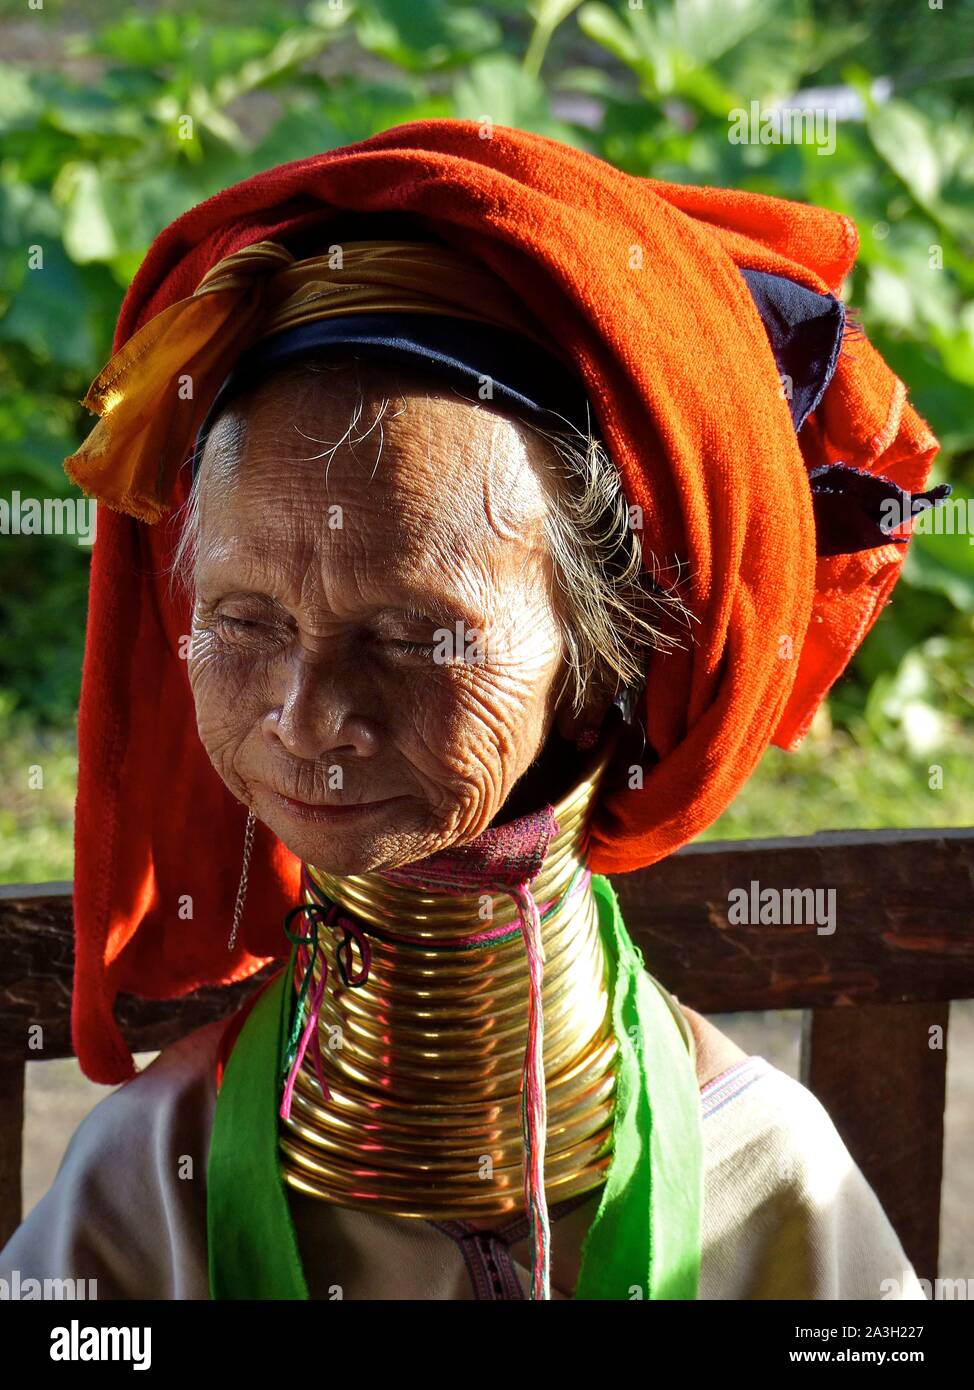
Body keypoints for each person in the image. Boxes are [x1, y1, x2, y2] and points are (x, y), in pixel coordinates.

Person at [1, 119, 943, 1300]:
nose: (307, 715)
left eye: (407, 634)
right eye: (244, 621)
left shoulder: (761, 1187)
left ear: (609, 655)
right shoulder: (147, 1187)